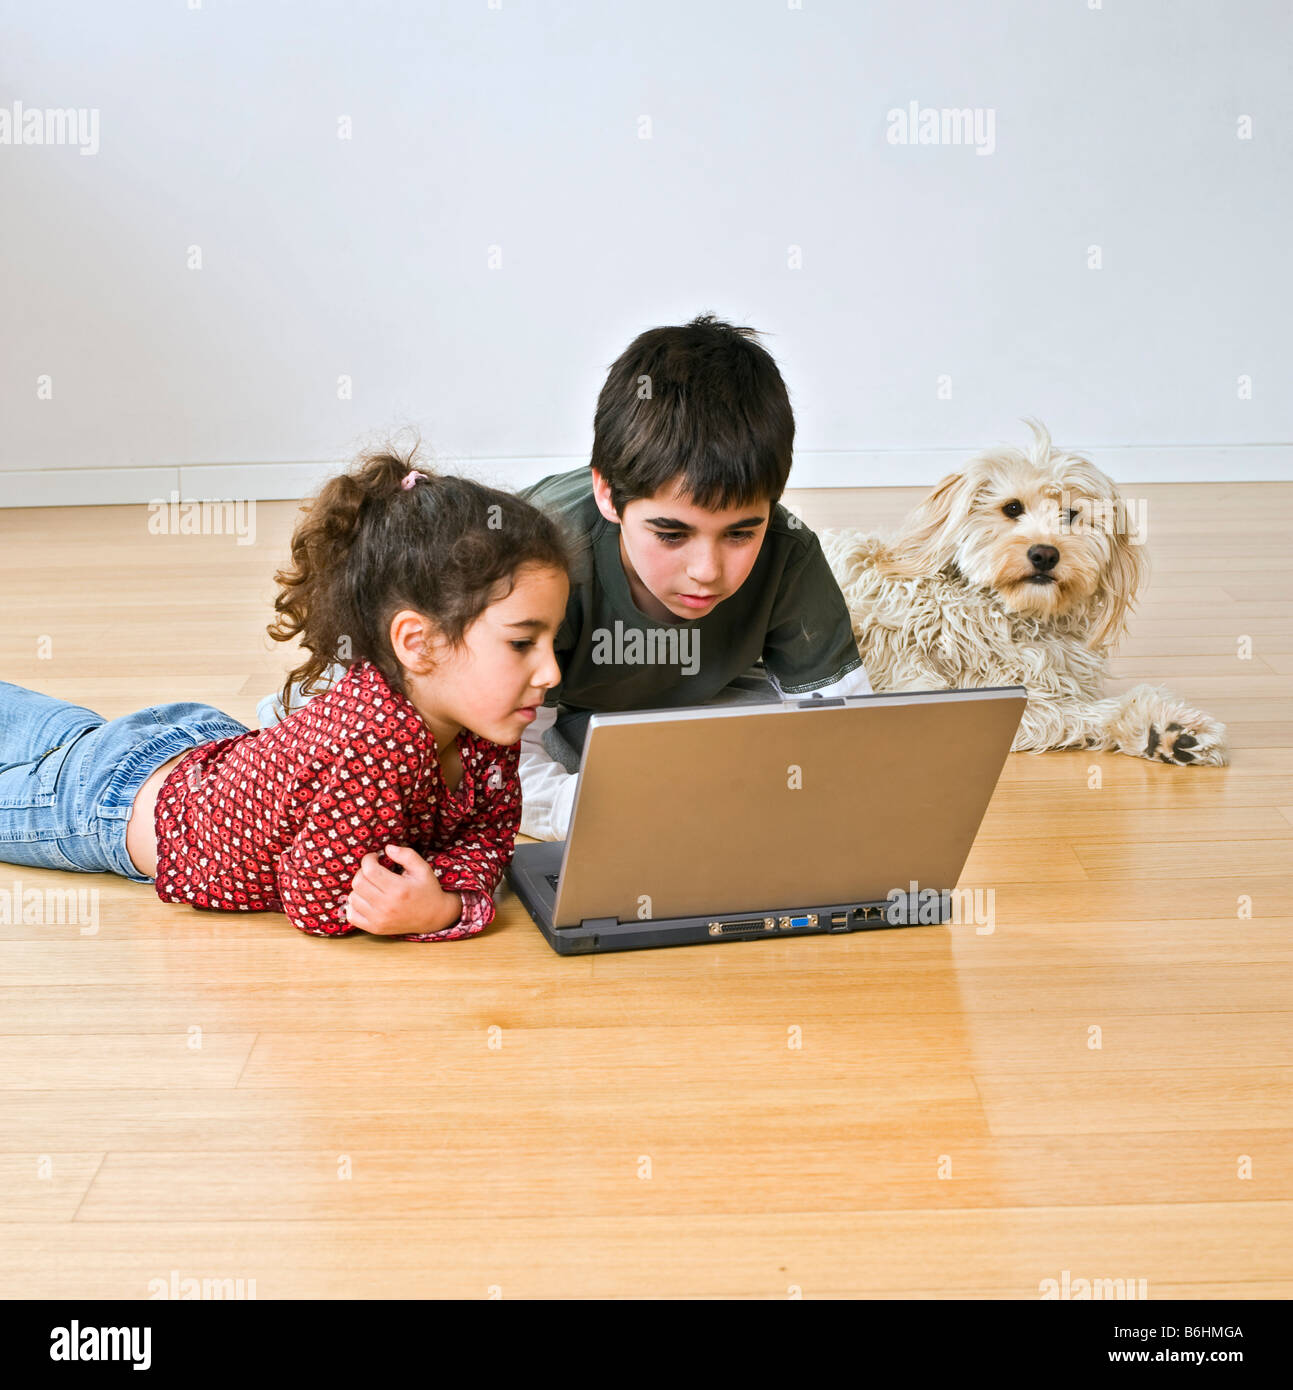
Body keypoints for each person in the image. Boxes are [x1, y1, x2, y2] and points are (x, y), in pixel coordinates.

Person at [260, 314, 871, 840]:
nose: (707, 572)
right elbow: (500, 750)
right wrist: (621, 812)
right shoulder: (546, 567)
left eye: (741, 533)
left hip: (626, 702)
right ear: (608, 492)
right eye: (671, 533)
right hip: (528, 701)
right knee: (400, 744)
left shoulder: (789, 553)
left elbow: (843, 729)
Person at [0, 449, 571, 941]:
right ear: (417, 643)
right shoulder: (375, 743)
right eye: (522, 642)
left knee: (60, 736)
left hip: (193, 750)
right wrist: (438, 908)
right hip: (109, 807)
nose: (550, 672)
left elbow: (487, 845)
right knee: (65, 756)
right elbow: (317, 901)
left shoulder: (486, 730)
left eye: (553, 639)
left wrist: (450, 899)